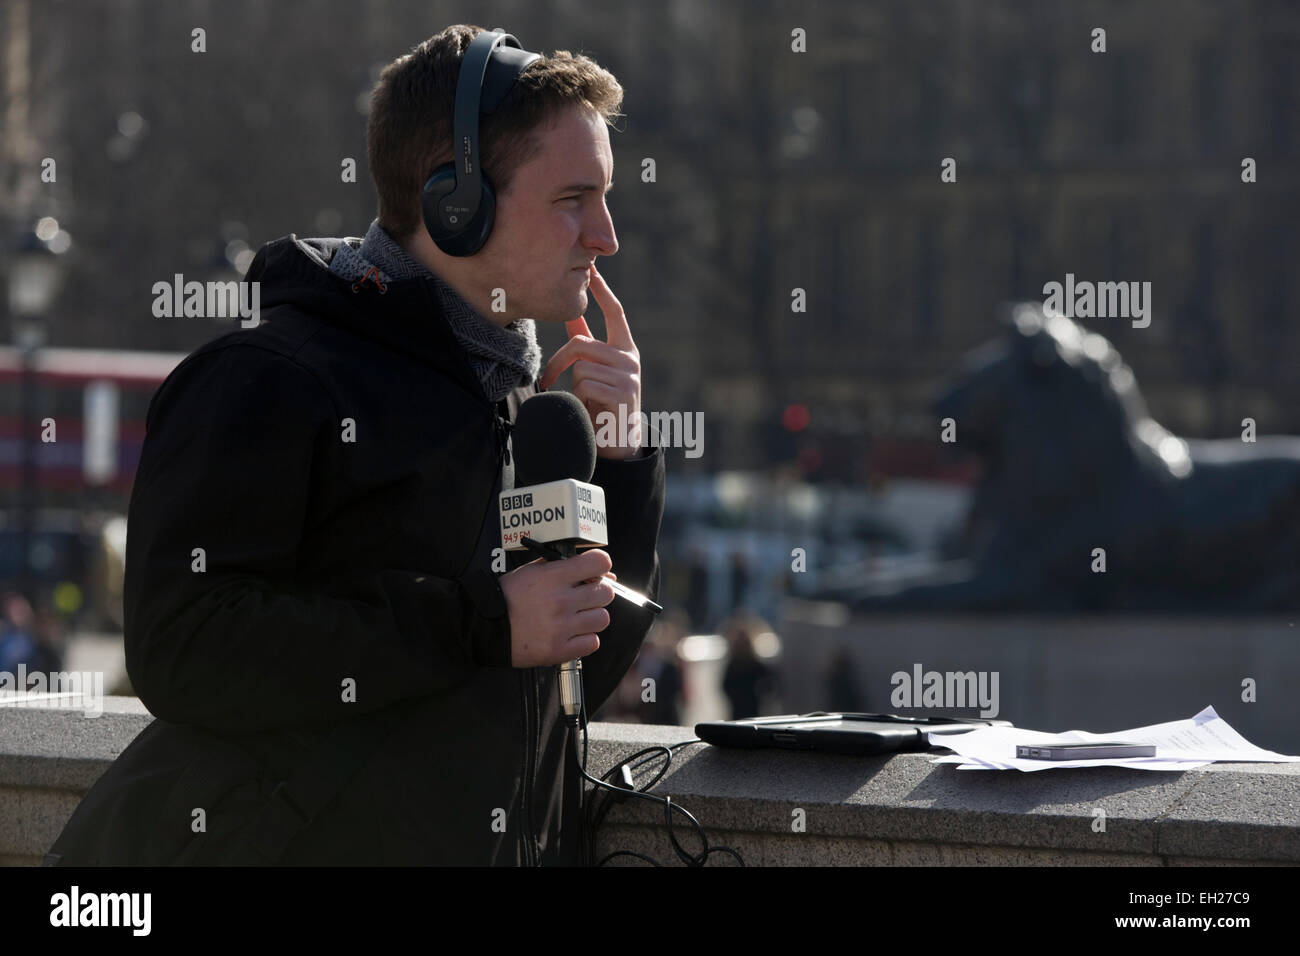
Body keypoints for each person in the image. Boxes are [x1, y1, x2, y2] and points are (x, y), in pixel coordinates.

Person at [49, 24, 664, 866]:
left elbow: (568, 683)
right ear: (456, 202)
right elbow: (183, 646)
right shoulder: (270, 376)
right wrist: (478, 622)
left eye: (606, 196)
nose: (606, 236)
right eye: (572, 200)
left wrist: (625, 466)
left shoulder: (525, 403)